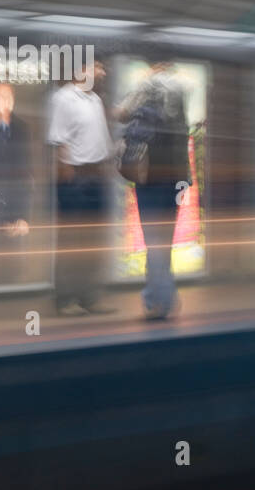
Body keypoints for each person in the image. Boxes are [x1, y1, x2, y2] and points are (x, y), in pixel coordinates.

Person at [46, 60, 117, 316]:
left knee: (93, 241)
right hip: (76, 178)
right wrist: (66, 173)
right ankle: (65, 300)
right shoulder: (64, 98)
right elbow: (58, 140)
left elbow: (101, 140)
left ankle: (89, 298)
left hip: (97, 177)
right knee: (72, 242)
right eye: (97, 67)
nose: (102, 72)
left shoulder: (96, 100)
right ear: (80, 70)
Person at [117, 66, 187, 320]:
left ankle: (162, 298)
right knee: (162, 242)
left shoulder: (148, 97)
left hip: (151, 178)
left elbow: (120, 113)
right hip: (177, 178)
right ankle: (156, 297)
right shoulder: (178, 98)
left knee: (154, 241)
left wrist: (143, 84)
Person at [0, 82, 32, 285]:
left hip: (14, 205)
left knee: (13, 263)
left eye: (3, 97)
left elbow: (25, 173)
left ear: (11, 101)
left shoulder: (20, 130)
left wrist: (23, 215)